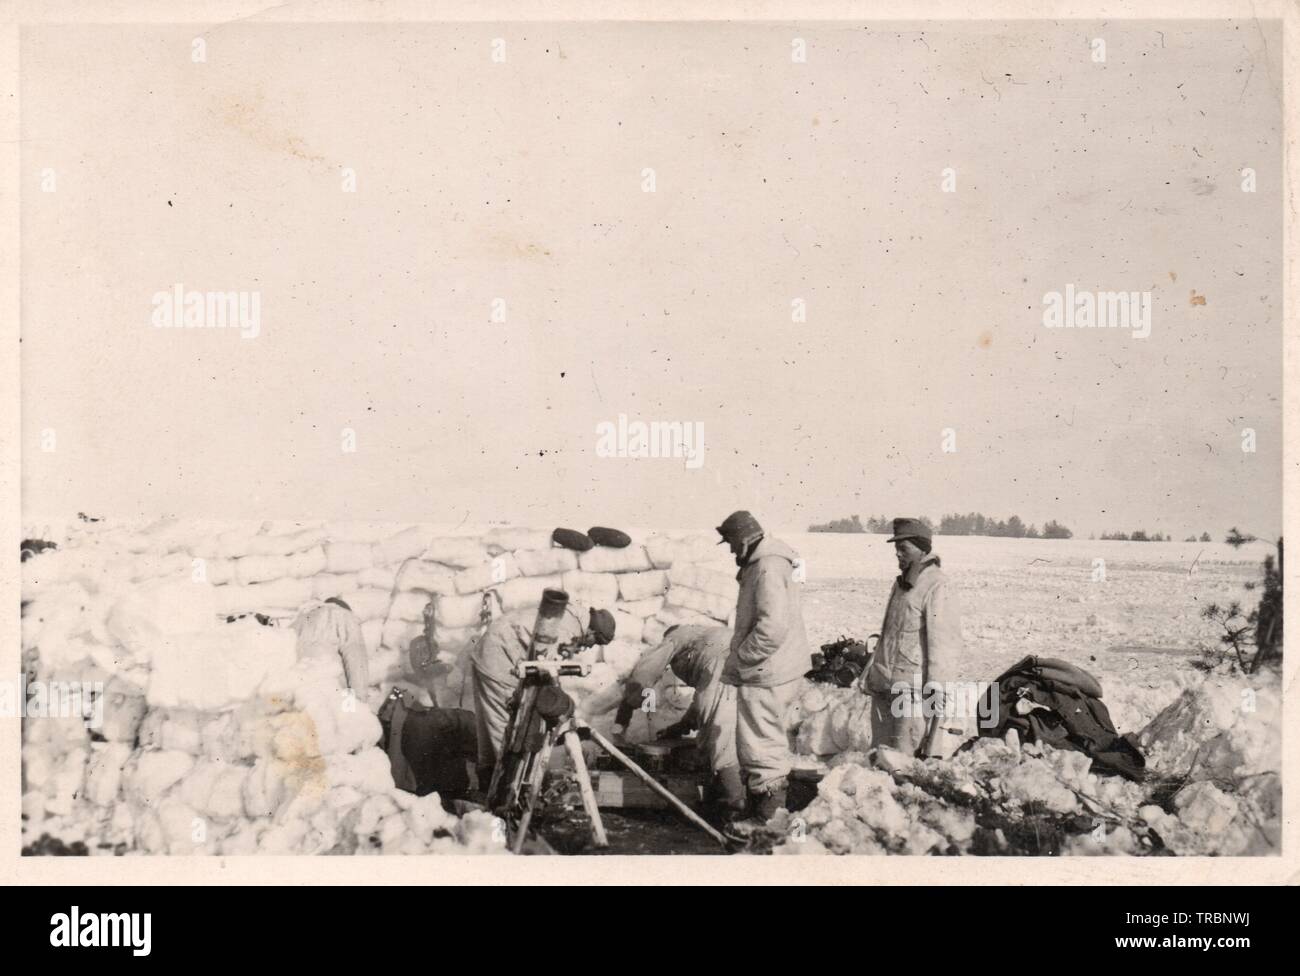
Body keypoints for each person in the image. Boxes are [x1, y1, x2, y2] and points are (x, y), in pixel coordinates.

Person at [716, 510, 810, 823]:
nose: (730, 550)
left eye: (731, 543)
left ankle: (767, 818)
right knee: (770, 741)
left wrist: (743, 657)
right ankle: (767, 810)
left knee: (760, 746)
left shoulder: (766, 566)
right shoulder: (774, 562)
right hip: (780, 668)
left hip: (765, 672)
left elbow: (772, 627)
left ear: (744, 540)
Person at [469, 601, 616, 788]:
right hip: (499, 658)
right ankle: (505, 788)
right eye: (591, 644)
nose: (586, 648)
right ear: (591, 633)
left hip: (492, 651)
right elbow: (547, 670)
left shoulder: (569, 616)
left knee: (490, 724)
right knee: (506, 726)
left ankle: (489, 780)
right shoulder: (567, 629)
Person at [604, 624, 744, 818]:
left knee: (720, 743)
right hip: (749, 664)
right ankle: (745, 800)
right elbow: (702, 702)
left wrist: (626, 710)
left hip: (724, 668)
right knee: (742, 737)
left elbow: (644, 673)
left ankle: (735, 809)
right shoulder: (706, 637)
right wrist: (681, 727)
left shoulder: (675, 637)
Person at [859, 517, 964, 758]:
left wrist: (937, 689)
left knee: (904, 761)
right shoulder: (903, 584)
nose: (897, 554)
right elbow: (890, 635)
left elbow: (945, 645)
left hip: (912, 693)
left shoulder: (937, 585)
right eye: (896, 548)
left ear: (922, 549)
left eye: (903, 548)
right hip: (887, 687)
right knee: (882, 758)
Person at [292, 597, 370, 695]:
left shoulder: (300, 619)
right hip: (331, 691)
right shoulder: (345, 616)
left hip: (300, 692)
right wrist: (360, 702)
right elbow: (356, 662)